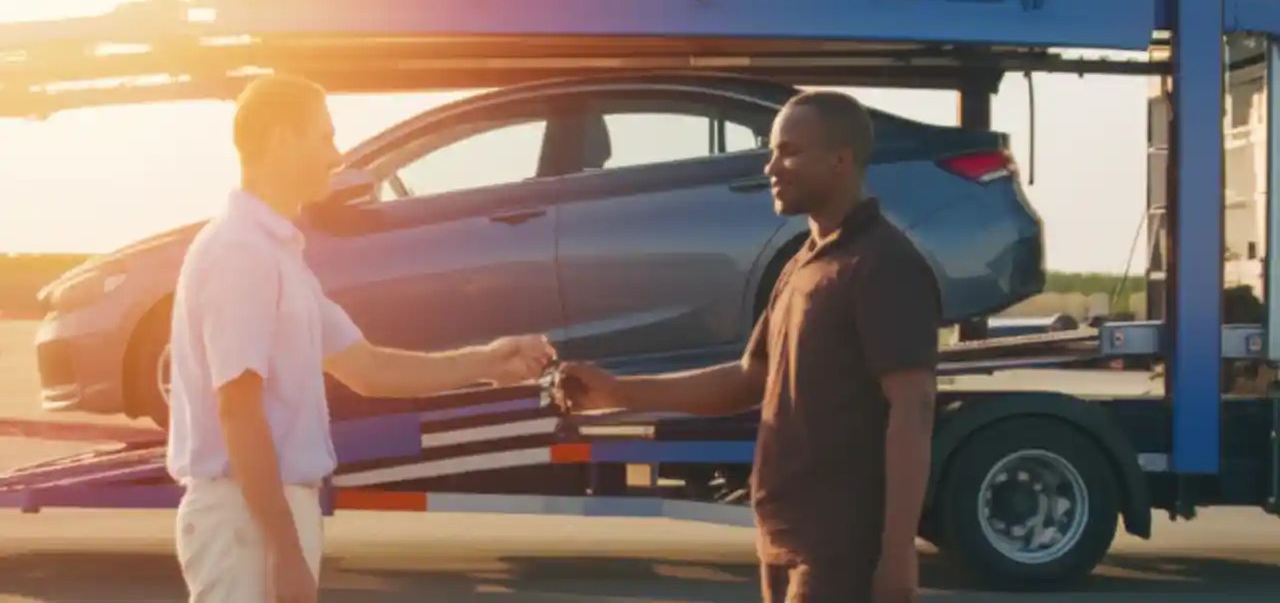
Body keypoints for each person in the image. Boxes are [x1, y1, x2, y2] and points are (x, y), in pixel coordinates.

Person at [165, 74, 556, 603]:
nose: (337, 153)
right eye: (324, 136)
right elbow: (237, 409)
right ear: (281, 139)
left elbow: (368, 368)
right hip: (246, 521)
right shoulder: (240, 253)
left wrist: (486, 361)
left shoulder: (277, 255)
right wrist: (283, 547)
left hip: (261, 514)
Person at [558, 90, 940, 603]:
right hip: (783, 538)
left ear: (840, 160)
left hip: (842, 549)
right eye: (773, 151)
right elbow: (747, 379)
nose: (771, 167)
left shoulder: (882, 264)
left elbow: (913, 408)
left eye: (789, 151)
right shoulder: (803, 263)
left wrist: (898, 555)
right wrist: (617, 392)